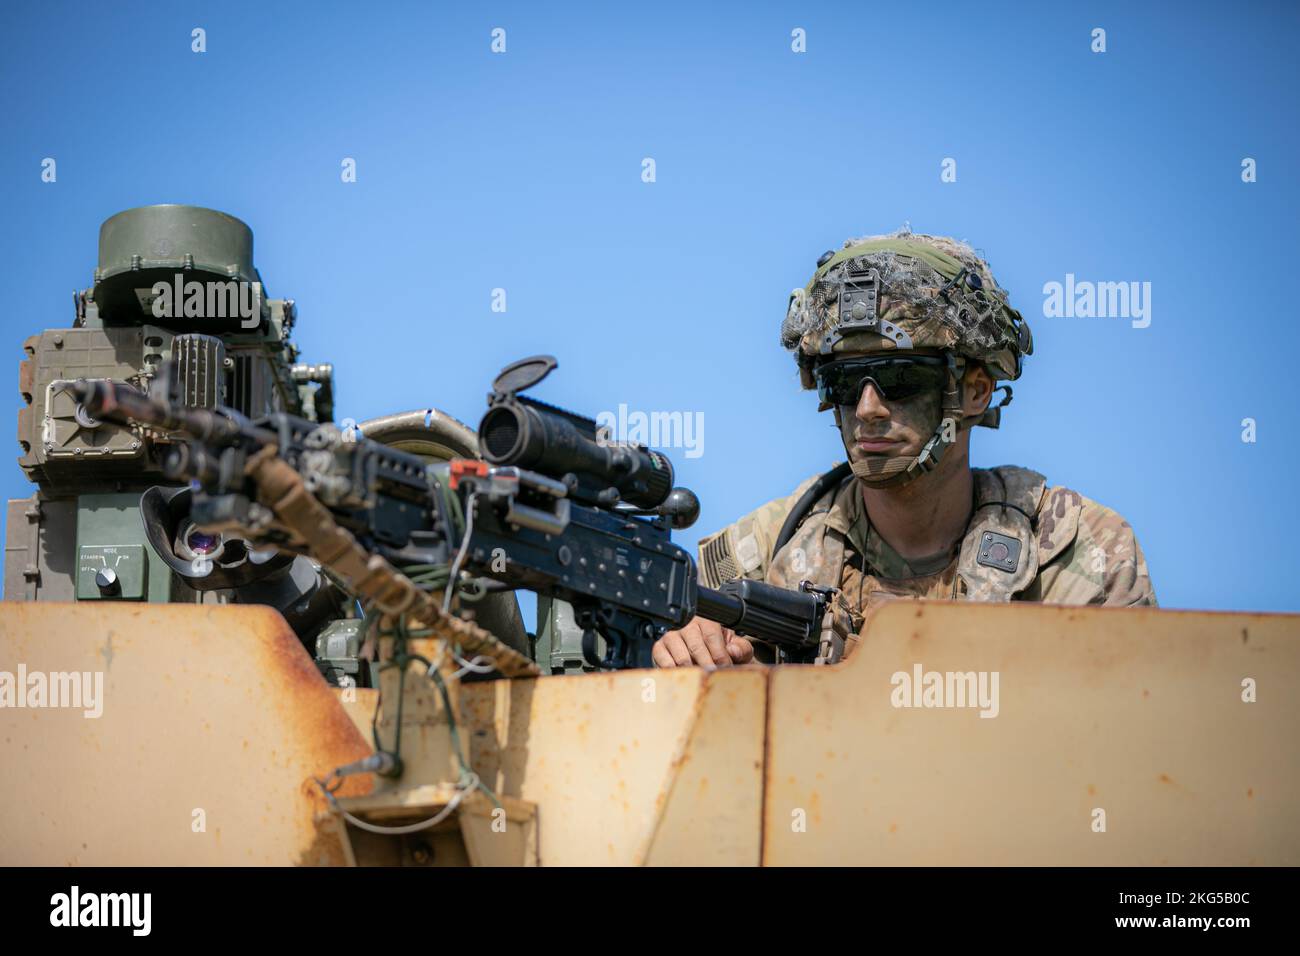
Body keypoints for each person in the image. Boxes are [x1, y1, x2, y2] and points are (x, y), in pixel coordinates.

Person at [653, 229, 1156, 669]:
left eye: (900, 378)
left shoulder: (1077, 553)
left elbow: (1136, 742)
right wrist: (682, 643)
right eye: (845, 383)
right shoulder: (759, 555)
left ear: (975, 390)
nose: (868, 408)